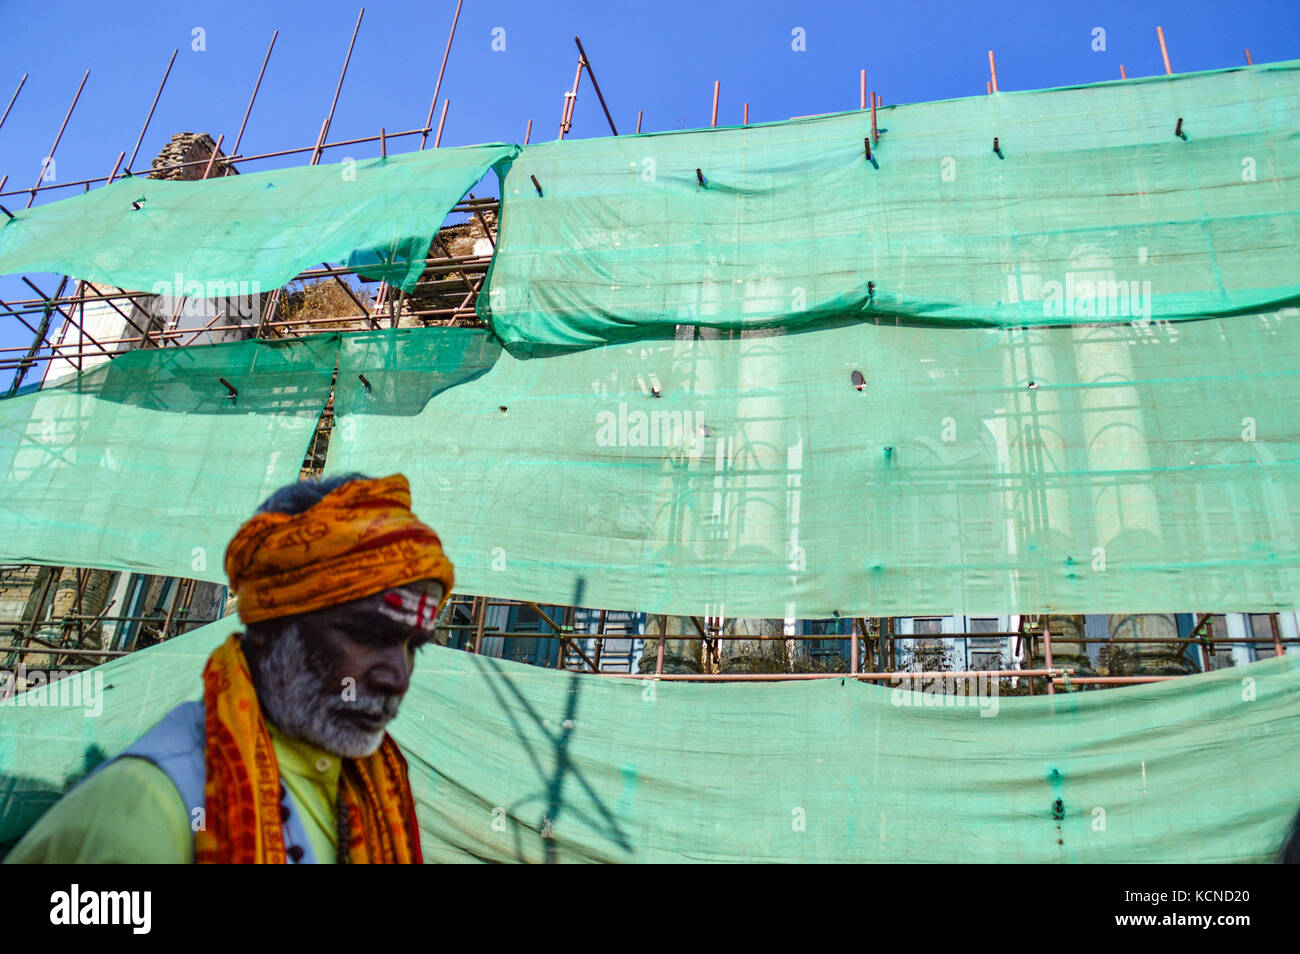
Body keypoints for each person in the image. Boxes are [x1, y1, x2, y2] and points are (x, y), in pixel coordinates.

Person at [5, 472, 453, 864]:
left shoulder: (371, 793)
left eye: (416, 646)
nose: (398, 676)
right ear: (272, 626)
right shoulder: (147, 810)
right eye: (368, 634)